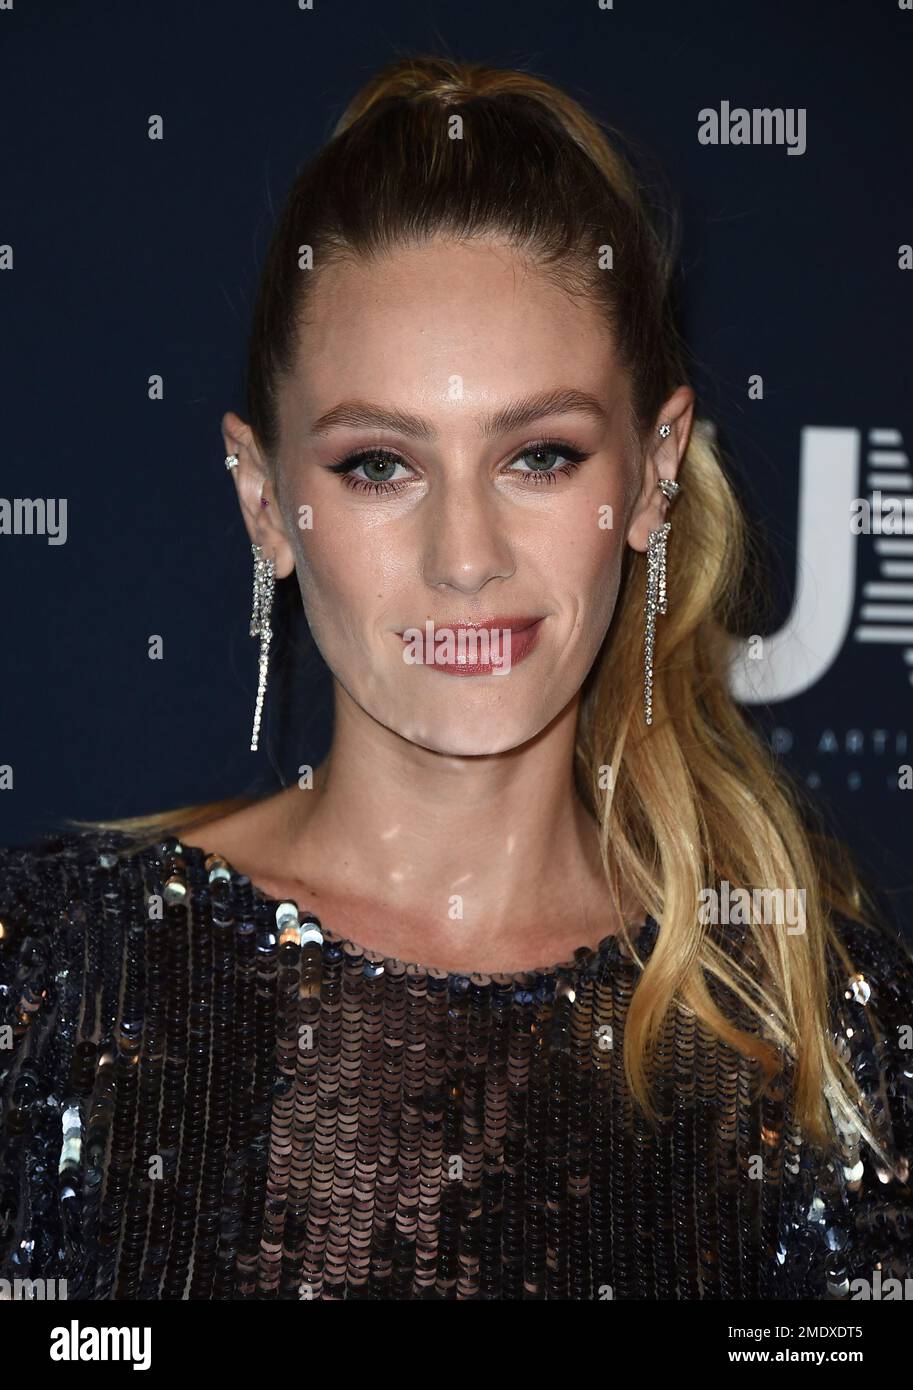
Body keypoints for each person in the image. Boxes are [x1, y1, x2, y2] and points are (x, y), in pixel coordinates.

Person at [1, 53, 911, 1303]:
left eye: (539, 454)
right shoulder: (57, 978)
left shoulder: (809, 1036)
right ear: (266, 504)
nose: (466, 560)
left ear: (651, 475)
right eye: (380, 465)